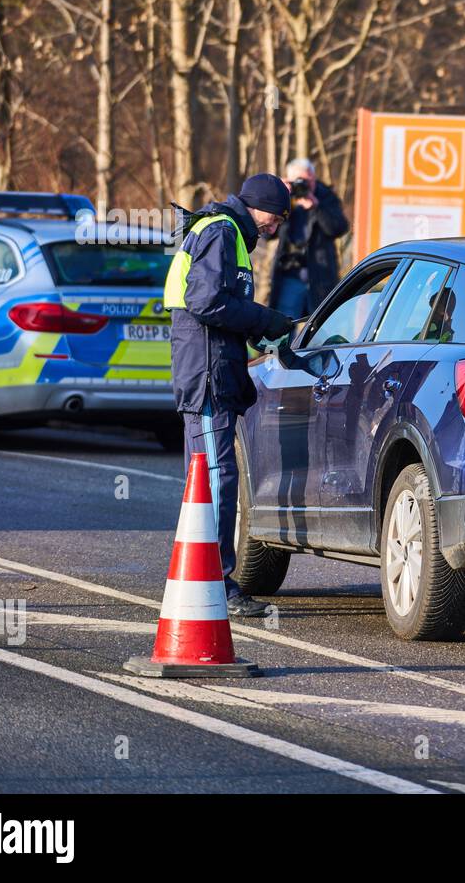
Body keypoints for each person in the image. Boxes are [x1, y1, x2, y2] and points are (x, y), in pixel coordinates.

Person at [164, 173, 294, 617]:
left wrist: (270, 335)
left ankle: (202, 576)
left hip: (211, 371)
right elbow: (205, 303)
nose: (275, 227)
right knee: (216, 477)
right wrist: (263, 319)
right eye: (275, 218)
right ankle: (216, 582)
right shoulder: (221, 232)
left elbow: (221, 311)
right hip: (206, 377)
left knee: (208, 477)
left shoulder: (225, 231)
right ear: (258, 207)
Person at [263, 157, 350, 320]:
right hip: (290, 275)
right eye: (299, 181)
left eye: (308, 180)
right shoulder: (285, 199)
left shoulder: (325, 196)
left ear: (314, 178)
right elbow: (267, 234)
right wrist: (278, 198)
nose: (304, 185)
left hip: (320, 276)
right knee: (284, 327)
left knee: (321, 329)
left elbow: (339, 228)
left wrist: (317, 207)